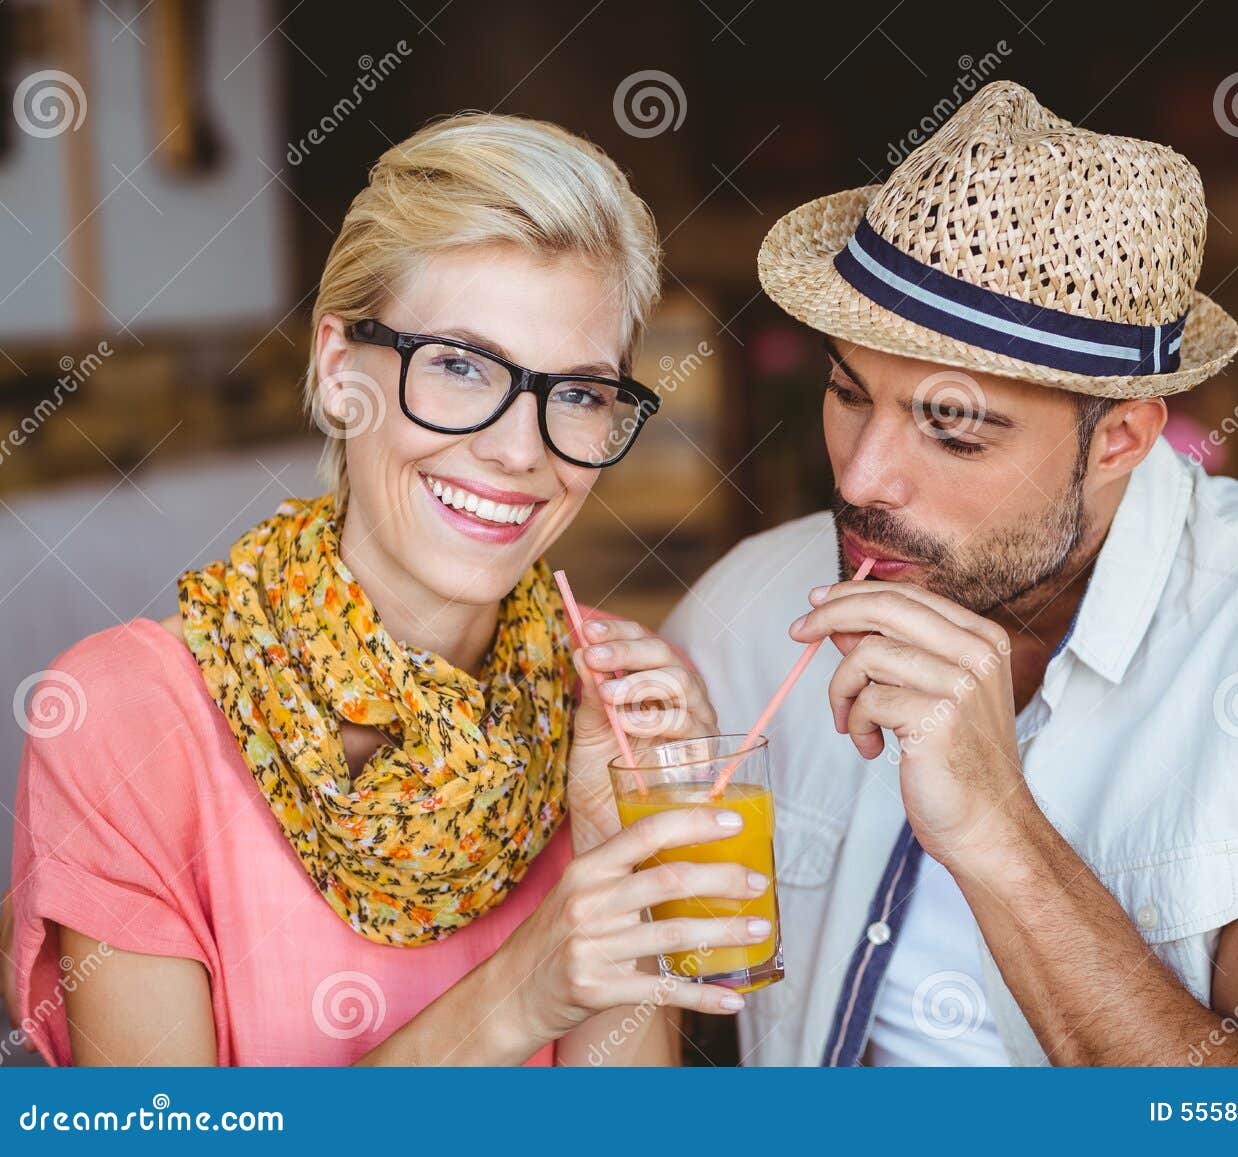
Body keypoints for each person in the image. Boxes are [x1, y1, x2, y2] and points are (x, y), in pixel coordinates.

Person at [661, 81, 1238, 1066]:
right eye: (848, 393)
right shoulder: (749, 606)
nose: (860, 478)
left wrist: (998, 831)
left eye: (952, 428)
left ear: (1119, 438)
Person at [3, 113, 767, 1066]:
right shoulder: (127, 717)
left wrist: (618, 843)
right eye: (458, 365)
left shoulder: (611, 708)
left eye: (576, 393)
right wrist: (522, 992)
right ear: (337, 370)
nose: (520, 451)